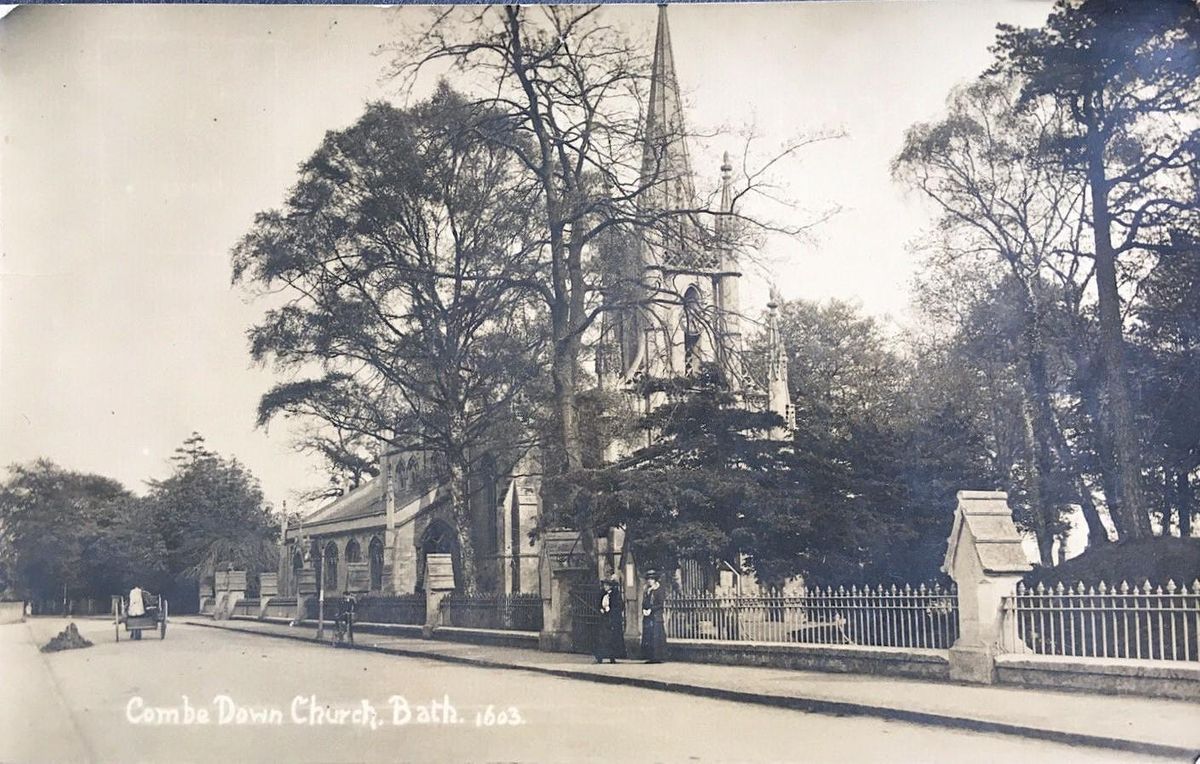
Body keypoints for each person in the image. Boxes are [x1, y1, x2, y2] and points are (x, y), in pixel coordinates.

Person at [593, 573, 626, 664]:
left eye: (607, 585)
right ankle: (600, 657)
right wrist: (600, 609)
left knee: (611, 639)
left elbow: (620, 606)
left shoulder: (616, 595)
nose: (605, 587)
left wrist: (610, 610)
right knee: (602, 639)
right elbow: (597, 604)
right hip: (604, 619)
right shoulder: (601, 594)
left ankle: (612, 657)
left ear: (611, 586)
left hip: (612, 620)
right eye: (604, 585)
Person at [640, 570, 668, 663]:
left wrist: (651, 609)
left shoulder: (659, 590)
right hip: (648, 616)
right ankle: (650, 657)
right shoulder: (647, 590)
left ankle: (657, 657)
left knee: (656, 637)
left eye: (651, 579)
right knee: (649, 636)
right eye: (648, 579)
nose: (649, 581)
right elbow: (644, 602)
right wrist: (644, 609)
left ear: (655, 580)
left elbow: (660, 604)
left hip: (656, 616)